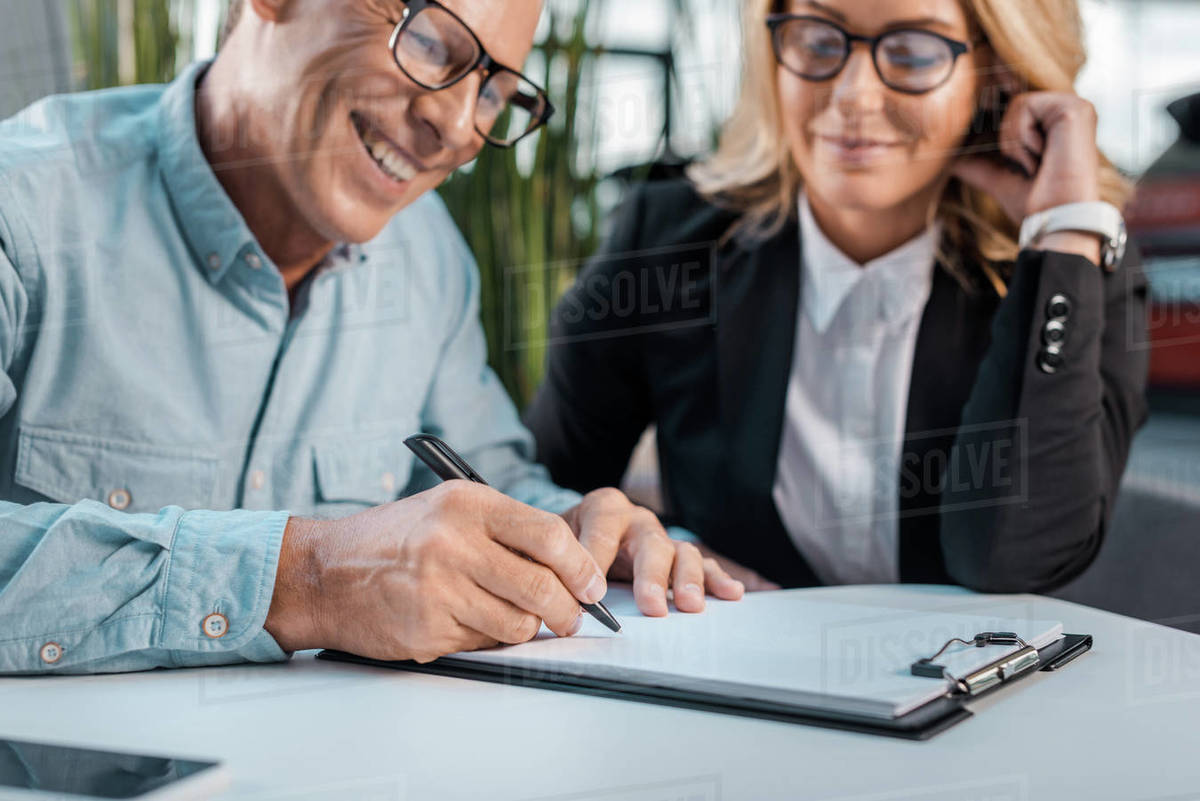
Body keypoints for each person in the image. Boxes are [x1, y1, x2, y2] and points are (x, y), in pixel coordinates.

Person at [0, 0, 746, 675]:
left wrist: (571, 535)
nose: (459, 128)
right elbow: (327, 574)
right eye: (428, 41)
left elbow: (487, 483)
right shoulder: (24, 208)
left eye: (493, 93)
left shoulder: (430, 258)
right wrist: (309, 580)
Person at [526, 0, 1148, 593]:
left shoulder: (1075, 271)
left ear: (998, 73)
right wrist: (662, 544)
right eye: (819, 40)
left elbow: (1013, 556)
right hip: (735, 656)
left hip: (979, 668)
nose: (853, 95)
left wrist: (1062, 233)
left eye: (912, 52)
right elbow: (545, 497)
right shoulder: (665, 243)